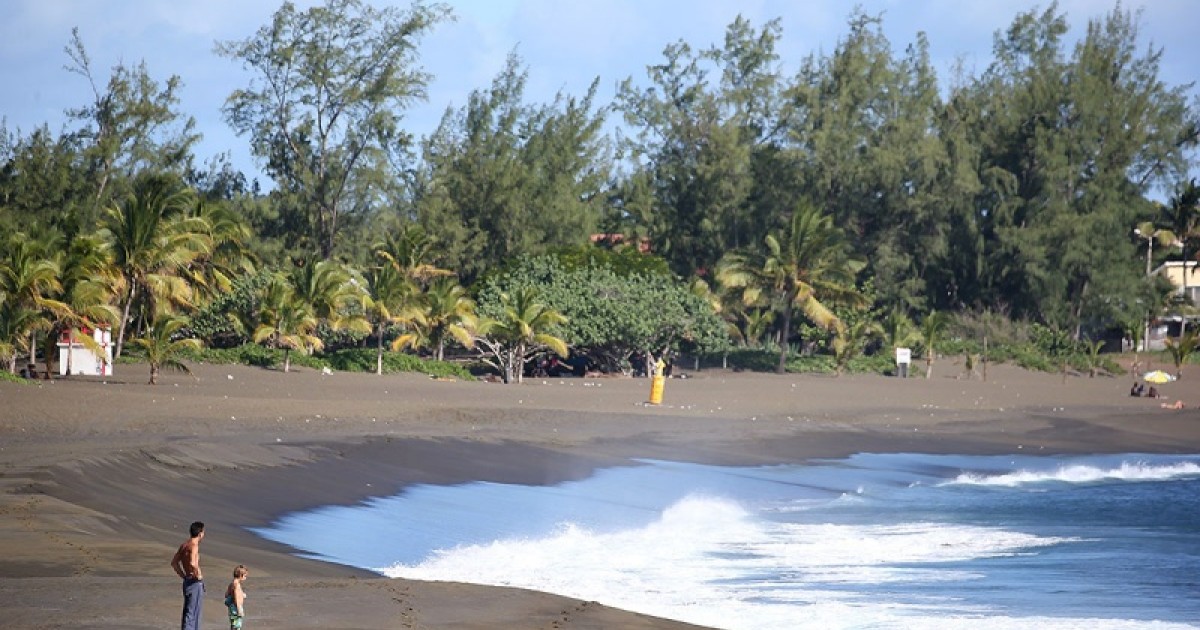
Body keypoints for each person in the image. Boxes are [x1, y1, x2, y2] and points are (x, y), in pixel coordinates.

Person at [171, 521, 205, 630]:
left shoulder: (184, 545)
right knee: (193, 612)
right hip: (194, 582)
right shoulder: (194, 545)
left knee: (188, 611)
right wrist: (198, 574)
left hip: (187, 581)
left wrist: (183, 576)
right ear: (200, 533)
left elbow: (174, 563)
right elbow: (192, 563)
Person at [225, 564, 248, 629]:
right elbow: (236, 597)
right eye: (245, 576)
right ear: (241, 576)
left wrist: (242, 594)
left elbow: (226, 594)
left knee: (233, 624)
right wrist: (239, 609)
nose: (245, 578)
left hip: (232, 608)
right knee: (237, 625)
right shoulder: (237, 585)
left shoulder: (232, 584)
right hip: (236, 608)